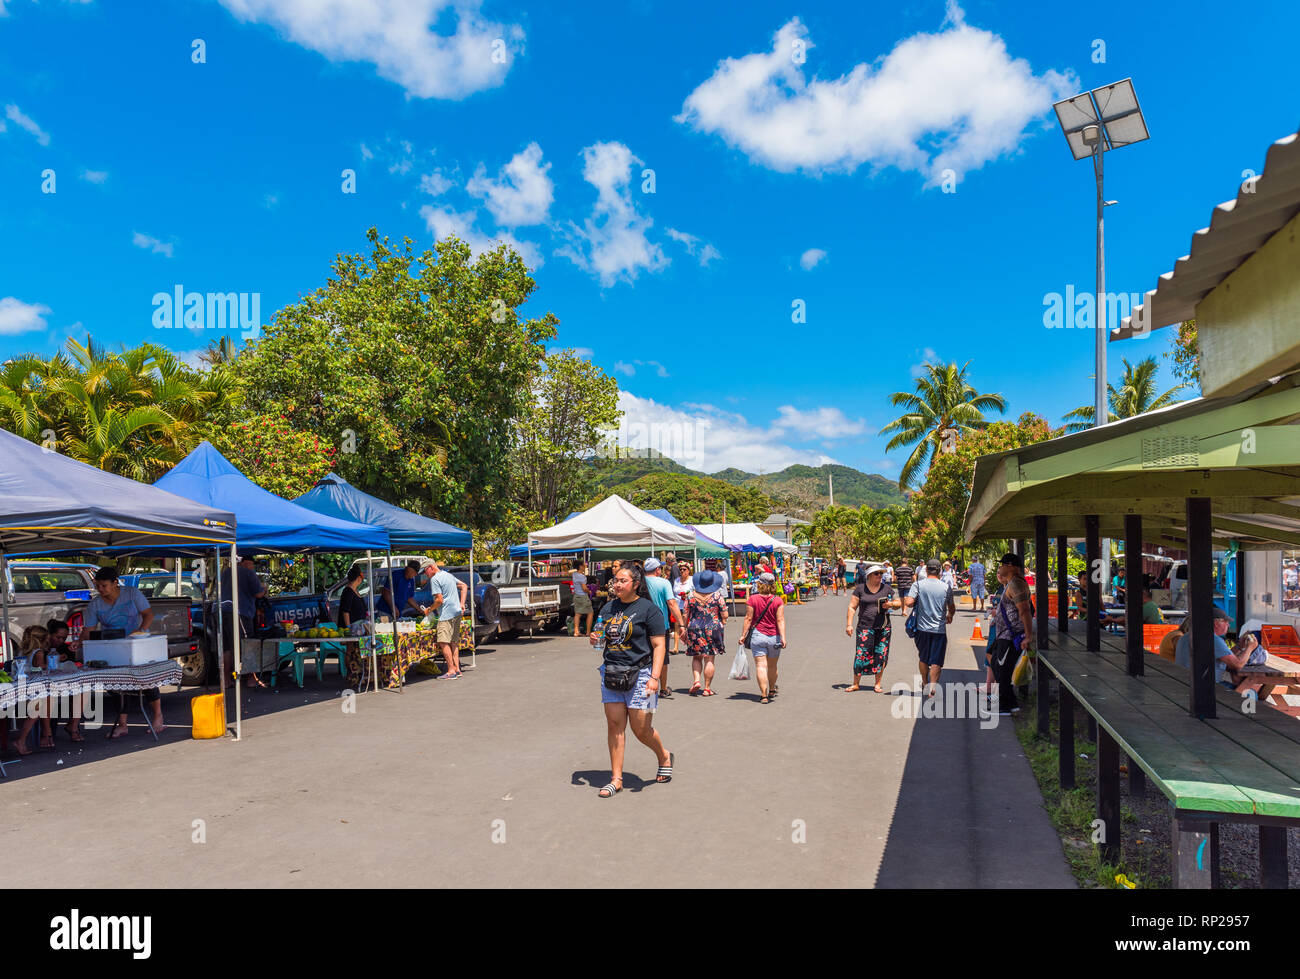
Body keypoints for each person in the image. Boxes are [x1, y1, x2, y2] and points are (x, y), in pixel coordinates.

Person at [590, 562, 673, 797]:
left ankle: (664, 755)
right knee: (615, 726)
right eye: (615, 581)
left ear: (636, 584)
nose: (617, 584)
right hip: (612, 673)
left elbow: (659, 645)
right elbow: (601, 637)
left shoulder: (649, 610)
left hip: (642, 674)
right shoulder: (607, 609)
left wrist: (655, 677)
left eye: (622, 581)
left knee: (641, 730)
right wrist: (595, 638)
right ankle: (616, 779)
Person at [84, 566, 166, 738]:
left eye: (104, 585)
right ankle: (122, 725)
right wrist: (79, 642)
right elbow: (89, 629)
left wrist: (140, 632)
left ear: (115, 583)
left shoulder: (132, 593)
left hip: (136, 644)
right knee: (116, 685)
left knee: (147, 679)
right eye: (97, 586)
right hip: (112, 648)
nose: (100, 589)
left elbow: (148, 614)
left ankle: (158, 717)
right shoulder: (95, 604)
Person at [989, 552, 1034, 715]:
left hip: (1011, 635)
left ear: (1011, 566)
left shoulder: (1017, 584)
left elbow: (1025, 610)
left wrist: (1028, 636)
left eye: (1002, 564)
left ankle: (1005, 706)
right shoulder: (1011, 583)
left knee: (1003, 670)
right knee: (996, 662)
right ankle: (1010, 702)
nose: (999, 567)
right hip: (1005, 635)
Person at [905, 558, 955, 698]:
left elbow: (909, 602)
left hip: (922, 629)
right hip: (939, 630)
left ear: (926, 570)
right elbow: (951, 607)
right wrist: (950, 615)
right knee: (936, 661)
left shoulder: (918, 585)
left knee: (923, 658)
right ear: (940, 571)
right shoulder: (946, 587)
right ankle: (932, 688)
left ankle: (925, 683)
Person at [1174, 606, 1256, 689]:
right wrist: (1250, 647)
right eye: (1226, 622)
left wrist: (1239, 646)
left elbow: (1224, 656)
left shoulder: (1188, 636)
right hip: (1204, 688)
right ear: (1216, 624)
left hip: (1185, 684)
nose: (1228, 625)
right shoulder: (1213, 639)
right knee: (1249, 690)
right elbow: (1238, 664)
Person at [846, 564, 897, 693]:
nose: (879, 576)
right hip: (864, 627)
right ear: (869, 575)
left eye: (881, 573)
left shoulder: (887, 589)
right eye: (876, 573)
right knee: (861, 654)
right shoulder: (860, 589)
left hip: (883, 627)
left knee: (881, 655)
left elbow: (897, 604)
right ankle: (856, 683)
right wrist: (849, 624)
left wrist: (891, 604)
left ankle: (877, 684)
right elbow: (852, 607)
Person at [742, 572, 787, 703]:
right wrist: (783, 637)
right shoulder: (778, 600)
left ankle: (763, 694)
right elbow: (780, 619)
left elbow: (748, 618)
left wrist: (743, 635)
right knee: (772, 666)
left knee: (761, 666)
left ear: (760, 584)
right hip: (774, 637)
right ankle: (772, 689)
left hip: (758, 636)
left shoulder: (752, 599)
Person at [643, 558, 681, 698]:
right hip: (661, 625)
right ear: (657, 569)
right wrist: (681, 623)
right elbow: (671, 603)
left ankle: (645, 685)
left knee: (645, 655)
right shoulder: (664, 582)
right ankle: (663, 688)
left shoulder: (640, 582)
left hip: (642, 624)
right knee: (662, 658)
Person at [15, 625, 57, 752]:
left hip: (23, 686)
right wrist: (50, 663)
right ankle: (21, 740)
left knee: (48, 698)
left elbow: (30, 668)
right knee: (39, 708)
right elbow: (38, 667)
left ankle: (46, 734)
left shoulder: (22, 651)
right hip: (31, 688)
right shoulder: (38, 652)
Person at [685, 569, 728, 695]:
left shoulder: (691, 595)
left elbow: (685, 614)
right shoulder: (717, 596)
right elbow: (725, 614)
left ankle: (696, 681)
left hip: (694, 628)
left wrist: (682, 627)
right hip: (713, 628)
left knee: (696, 657)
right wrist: (722, 621)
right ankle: (707, 688)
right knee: (709, 658)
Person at [426, 558, 470, 679]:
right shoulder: (448, 575)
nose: (425, 574)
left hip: (446, 614)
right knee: (453, 642)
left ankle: (451, 671)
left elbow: (439, 600)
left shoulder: (435, 579)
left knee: (443, 642)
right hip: (456, 612)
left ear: (431, 567)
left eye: (425, 571)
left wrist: (429, 609)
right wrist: (462, 603)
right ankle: (457, 669)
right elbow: (464, 586)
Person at [336, 564, 369, 630]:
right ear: (358, 578)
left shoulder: (355, 590)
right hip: (352, 629)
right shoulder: (348, 591)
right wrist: (348, 628)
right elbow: (345, 611)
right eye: (362, 577)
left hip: (359, 628)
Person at [671, 562, 694, 653]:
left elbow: (695, 592)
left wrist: (688, 595)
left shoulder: (692, 580)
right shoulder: (677, 580)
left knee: (688, 627)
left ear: (689, 571)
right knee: (677, 626)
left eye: (684, 569)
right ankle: (675, 647)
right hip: (677, 606)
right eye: (680, 569)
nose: (682, 571)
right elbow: (674, 592)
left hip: (688, 606)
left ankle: (690, 646)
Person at [571, 558, 594, 638]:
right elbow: (584, 588)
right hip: (583, 596)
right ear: (580, 566)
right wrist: (589, 591)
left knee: (577, 614)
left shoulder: (574, 574)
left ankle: (576, 631)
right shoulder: (582, 577)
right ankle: (588, 632)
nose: (585, 566)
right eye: (584, 565)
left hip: (576, 596)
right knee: (590, 613)